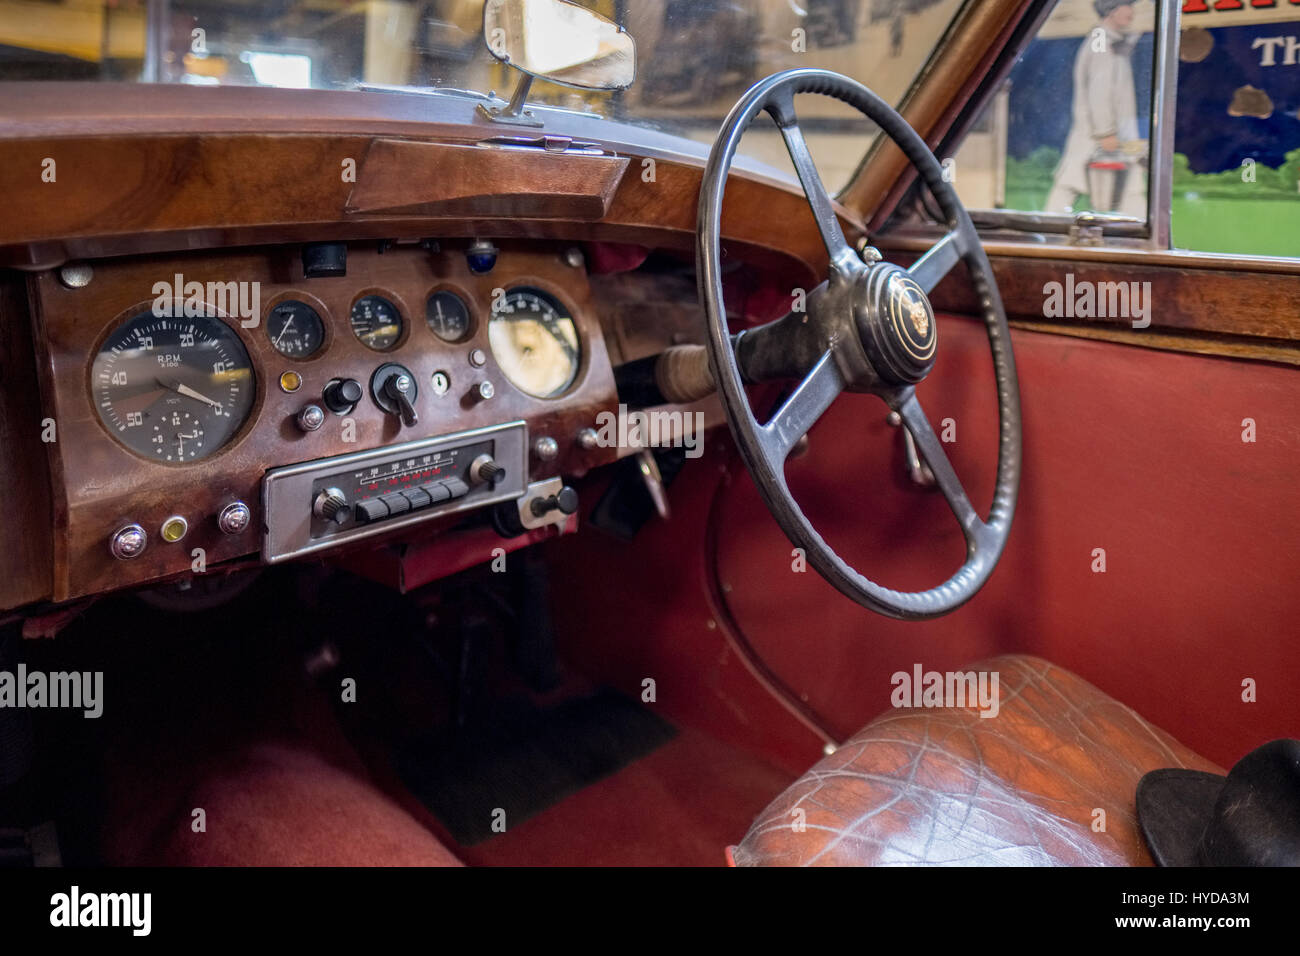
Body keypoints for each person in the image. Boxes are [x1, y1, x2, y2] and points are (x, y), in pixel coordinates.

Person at [1045, 0, 1146, 217]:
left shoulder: (1110, 42)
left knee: (1130, 189)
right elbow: (1099, 91)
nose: (1131, 11)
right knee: (1071, 183)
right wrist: (1105, 132)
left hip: (1114, 134)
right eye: (1126, 5)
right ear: (1111, 11)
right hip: (1099, 136)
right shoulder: (1101, 42)